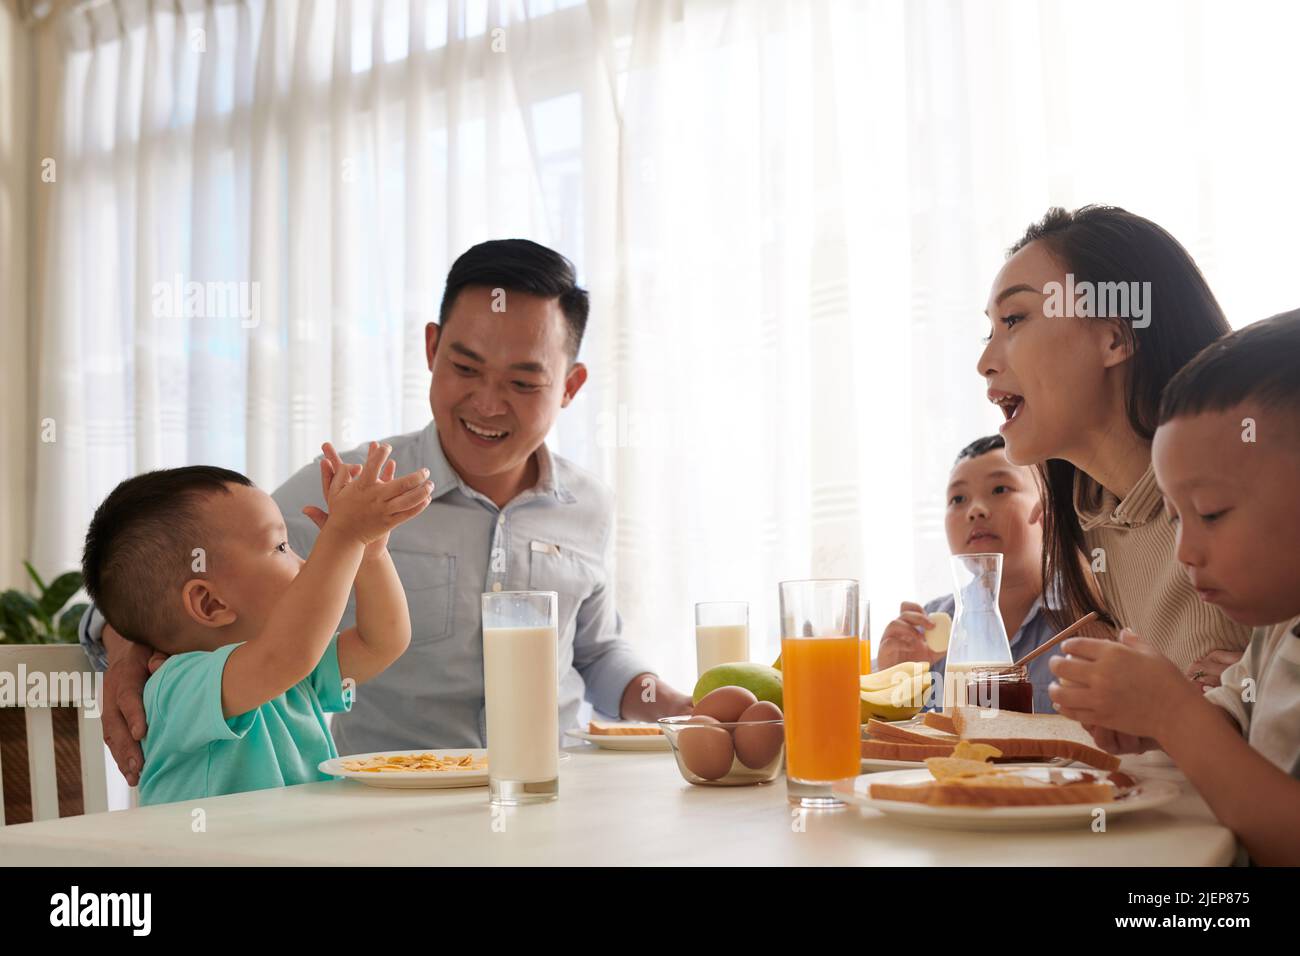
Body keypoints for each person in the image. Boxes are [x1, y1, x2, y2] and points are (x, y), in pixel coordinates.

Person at [84, 239, 694, 785]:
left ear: (570, 386)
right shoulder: (349, 494)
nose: (487, 401)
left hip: (544, 791)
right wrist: (126, 643)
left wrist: (670, 703)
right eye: (465, 367)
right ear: (431, 349)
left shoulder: (589, 506)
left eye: (524, 383)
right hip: (390, 811)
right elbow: (167, 575)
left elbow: (594, 651)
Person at [1049, 310, 1300, 865]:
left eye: (1210, 513)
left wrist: (1173, 716)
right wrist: (1154, 723)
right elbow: (1236, 723)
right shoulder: (1276, 628)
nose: (1185, 552)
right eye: (1174, 517)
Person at [977, 205, 1250, 679]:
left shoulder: (1258, 480)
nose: (985, 361)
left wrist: (1257, 686)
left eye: (1015, 319)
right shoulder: (1091, 519)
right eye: (991, 329)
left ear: (1114, 337)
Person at [80, 444, 432, 803]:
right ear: (211, 603)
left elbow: (383, 642)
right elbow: (287, 655)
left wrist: (369, 552)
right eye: (281, 547)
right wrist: (345, 536)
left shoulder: (291, 672)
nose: (303, 560)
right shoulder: (178, 685)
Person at [876, 434, 1062, 713]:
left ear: (1048, 508)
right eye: (958, 498)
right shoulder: (925, 630)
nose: (974, 510)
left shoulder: (1091, 613)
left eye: (1000, 489)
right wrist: (891, 685)